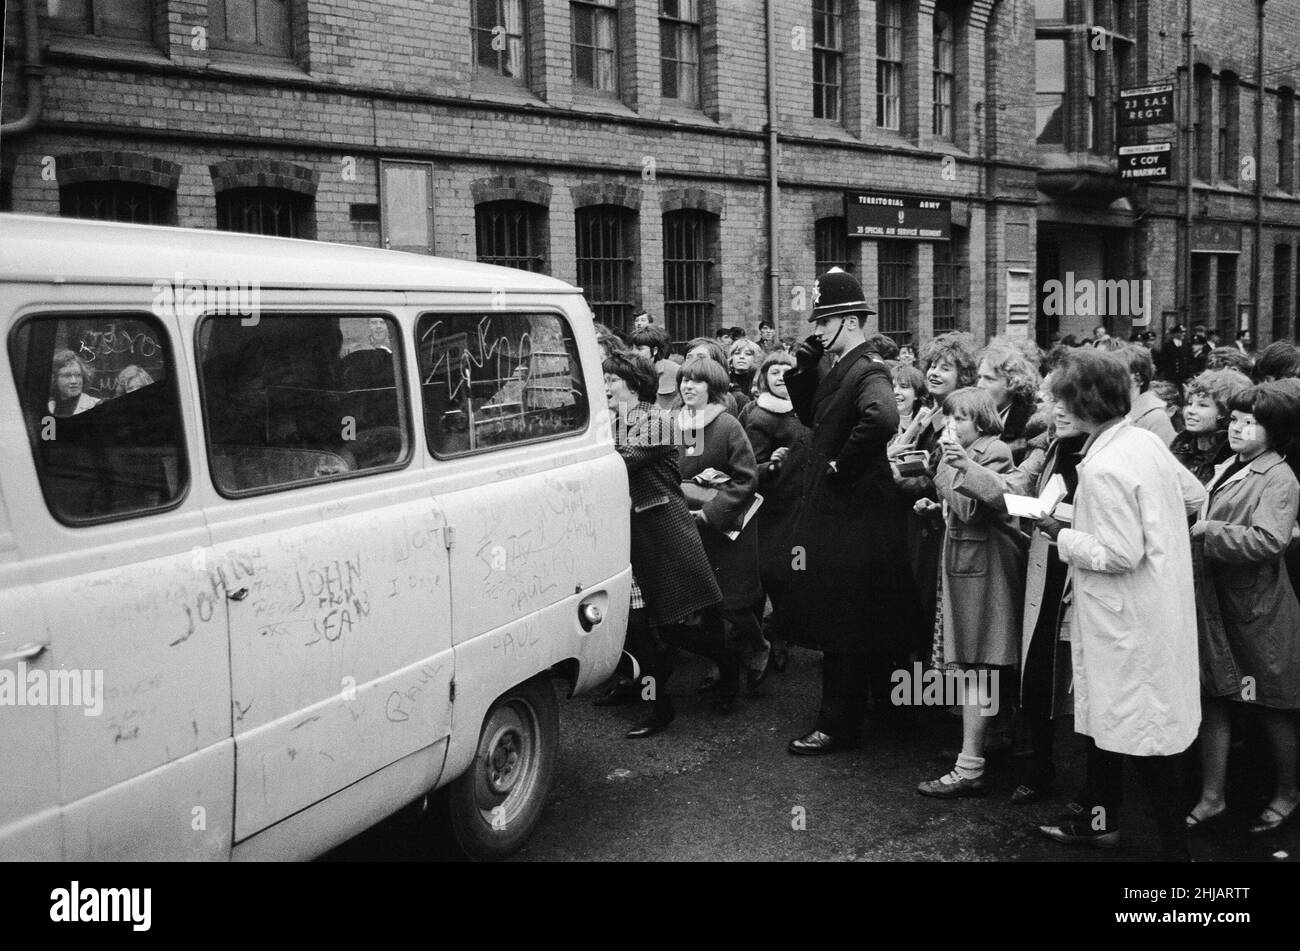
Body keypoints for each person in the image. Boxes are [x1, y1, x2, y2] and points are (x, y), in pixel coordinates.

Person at [1034, 349, 1205, 860]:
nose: (1053, 406)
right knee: (1136, 734)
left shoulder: (1104, 466)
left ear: (1082, 401)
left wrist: (1060, 534)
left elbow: (1119, 553)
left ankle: (1176, 859)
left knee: (1141, 739)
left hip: (1125, 622)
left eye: (1060, 397)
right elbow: (1195, 497)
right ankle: (1110, 825)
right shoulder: (1143, 442)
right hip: (1156, 612)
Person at [779, 268, 918, 754]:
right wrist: (801, 372)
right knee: (861, 617)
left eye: (825, 321)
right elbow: (812, 417)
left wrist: (842, 467)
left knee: (845, 619)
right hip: (850, 512)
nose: (816, 330)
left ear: (851, 321)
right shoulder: (842, 366)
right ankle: (889, 708)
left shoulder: (868, 367)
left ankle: (838, 724)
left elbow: (883, 417)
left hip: (857, 512)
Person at [948, 372, 1087, 805]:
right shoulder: (1052, 446)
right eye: (1055, 401)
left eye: (1068, 402)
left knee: (1086, 682)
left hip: (1088, 570)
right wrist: (962, 465)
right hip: (1050, 567)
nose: (1058, 410)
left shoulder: (1104, 452)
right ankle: (1042, 769)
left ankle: (1099, 799)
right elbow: (1014, 489)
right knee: (1041, 670)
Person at [1187, 382, 1300, 835]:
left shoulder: (1280, 478)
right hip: (1221, 602)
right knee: (1216, 697)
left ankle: (1287, 793)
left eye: (1250, 421)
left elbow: (1271, 540)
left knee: (1270, 704)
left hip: (1258, 611)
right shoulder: (1232, 464)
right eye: (1234, 419)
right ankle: (1212, 797)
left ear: (1275, 430)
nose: (1237, 428)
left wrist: (1207, 532)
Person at [600, 352, 724, 737]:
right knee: (636, 625)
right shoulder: (613, 422)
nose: (603, 388)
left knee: (669, 628)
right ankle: (655, 703)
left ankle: (729, 661)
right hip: (631, 538)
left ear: (634, 386)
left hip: (663, 533)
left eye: (611, 381)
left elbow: (619, 461)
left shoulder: (656, 422)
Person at [916, 387, 1025, 798]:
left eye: (959, 419)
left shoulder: (993, 451)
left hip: (984, 569)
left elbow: (972, 510)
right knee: (975, 662)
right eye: (948, 418)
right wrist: (936, 503)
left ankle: (970, 764)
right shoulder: (964, 452)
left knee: (977, 661)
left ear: (980, 421)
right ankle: (981, 744)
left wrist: (946, 467)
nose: (950, 426)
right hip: (968, 565)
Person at [676, 356, 767, 708]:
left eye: (696, 382)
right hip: (688, 522)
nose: (687, 387)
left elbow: (747, 477)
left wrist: (711, 512)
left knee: (734, 603)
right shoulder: (674, 424)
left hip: (727, 527)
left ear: (711, 388)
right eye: (684, 380)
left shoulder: (727, 425)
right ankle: (721, 667)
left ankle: (758, 647)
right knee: (708, 602)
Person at [890, 332, 979, 653]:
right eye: (932, 366)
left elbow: (938, 477)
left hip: (936, 527)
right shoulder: (933, 412)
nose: (934, 373)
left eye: (945, 368)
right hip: (919, 522)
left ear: (963, 377)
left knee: (929, 609)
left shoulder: (957, 419)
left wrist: (894, 478)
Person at [739, 350, 810, 675]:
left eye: (787, 371)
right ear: (764, 377)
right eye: (774, 371)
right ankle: (761, 645)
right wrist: (772, 464)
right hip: (767, 509)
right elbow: (746, 465)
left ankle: (781, 635)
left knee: (790, 576)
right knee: (766, 575)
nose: (781, 376)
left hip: (799, 505)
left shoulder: (804, 410)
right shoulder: (758, 415)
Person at [1169, 368, 1252, 484]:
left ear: (1225, 412)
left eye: (1202, 405)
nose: (1191, 410)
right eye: (1189, 403)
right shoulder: (1180, 445)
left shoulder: (1235, 458)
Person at [975, 340, 1040, 464]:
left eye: (989, 379)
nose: (979, 385)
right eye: (979, 377)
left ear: (1012, 382)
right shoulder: (975, 416)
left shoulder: (1030, 423)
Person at [1121, 344, 1176, 445]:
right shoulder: (1116, 410)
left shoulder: (1156, 417)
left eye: (1120, 373)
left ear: (1139, 379)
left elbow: (1164, 458)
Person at [48, 350, 101, 416]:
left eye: (78, 375)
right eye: (67, 376)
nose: (74, 381)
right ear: (54, 379)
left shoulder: (96, 404)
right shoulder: (49, 406)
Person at [891, 363, 928, 437]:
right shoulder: (878, 423)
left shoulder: (926, 420)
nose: (896, 392)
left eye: (903, 387)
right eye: (892, 387)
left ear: (916, 394)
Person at [727, 338, 763, 406]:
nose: (741, 357)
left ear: (756, 358)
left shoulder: (759, 380)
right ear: (731, 357)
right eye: (737, 353)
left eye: (748, 354)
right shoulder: (725, 378)